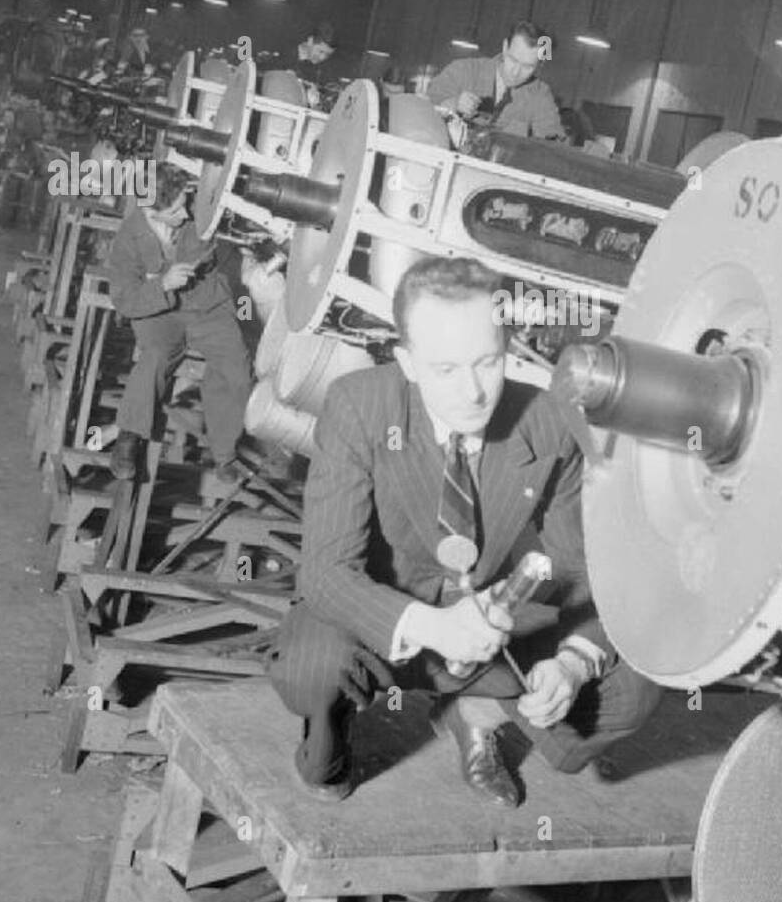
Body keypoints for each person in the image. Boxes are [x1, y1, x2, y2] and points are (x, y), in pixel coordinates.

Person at [268, 255, 661, 806]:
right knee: (311, 670)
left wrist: (570, 663)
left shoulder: (550, 420)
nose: (473, 392)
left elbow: (577, 571)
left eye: (488, 362)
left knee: (632, 691)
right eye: (446, 369)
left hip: (497, 628)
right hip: (387, 623)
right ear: (406, 361)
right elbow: (326, 573)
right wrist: (431, 625)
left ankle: (477, 712)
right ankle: (327, 751)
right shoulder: (357, 405)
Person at [107, 165, 252, 487]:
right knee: (154, 359)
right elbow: (124, 299)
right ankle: (129, 438)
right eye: (175, 210)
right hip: (160, 314)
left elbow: (222, 249)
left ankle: (225, 453)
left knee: (237, 366)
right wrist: (162, 285)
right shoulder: (129, 237)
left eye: (185, 202)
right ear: (150, 210)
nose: (185, 213)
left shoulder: (198, 212)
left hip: (207, 306)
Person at [426, 19, 563, 141]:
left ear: (540, 64)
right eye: (513, 60)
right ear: (505, 47)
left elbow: (552, 144)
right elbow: (423, 108)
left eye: (527, 66)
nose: (515, 72)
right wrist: (453, 103)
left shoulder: (541, 97)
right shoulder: (463, 70)